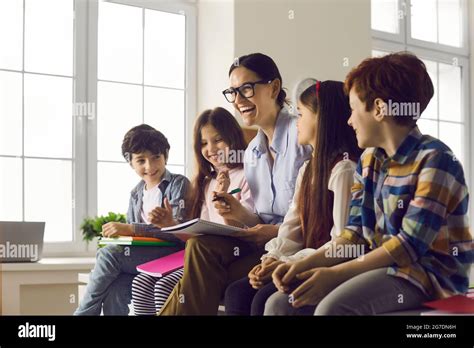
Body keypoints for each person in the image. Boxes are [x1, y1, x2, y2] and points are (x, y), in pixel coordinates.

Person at [265, 52, 472, 315]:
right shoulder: (369, 160)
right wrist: (304, 264)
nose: (349, 120)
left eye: (353, 109)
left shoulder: (436, 160)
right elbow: (353, 235)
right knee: (280, 303)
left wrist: (335, 274)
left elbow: (408, 247)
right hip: (382, 268)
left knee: (331, 308)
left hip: (430, 276)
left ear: (378, 109)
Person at [158, 53, 312, 315]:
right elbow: (256, 220)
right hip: (258, 244)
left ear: (274, 88)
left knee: (199, 276)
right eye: (233, 92)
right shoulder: (252, 151)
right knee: (199, 246)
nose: (238, 101)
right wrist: (235, 212)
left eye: (247, 89)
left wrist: (272, 232)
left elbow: (317, 218)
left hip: (294, 246)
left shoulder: (303, 134)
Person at [224, 80, 361, 315]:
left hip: (324, 264)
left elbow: (342, 243)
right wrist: (271, 259)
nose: (296, 122)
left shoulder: (344, 170)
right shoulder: (307, 169)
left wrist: (289, 263)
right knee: (237, 293)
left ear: (322, 119)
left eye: (301, 114)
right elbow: (291, 226)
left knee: (263, 300)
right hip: (299, 260)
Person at [131, 107, 254, 315]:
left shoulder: (246, 174)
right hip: (202, 252)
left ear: (232, 138)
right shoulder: (206, 182)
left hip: (235, 253)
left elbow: (249, 228)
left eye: (218, 140)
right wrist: (170, 224)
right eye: (204, 143)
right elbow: (198, 235)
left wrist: (227, 205)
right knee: (141, 284)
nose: (211, 149)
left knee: (164, 285)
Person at [74, 125, 190, 315]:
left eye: (156, 158)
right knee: (115, 291)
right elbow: (134, 241)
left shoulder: (178, 184)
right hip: (144, 257)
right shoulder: (136, 194)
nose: (150, 166)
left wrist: (132, 228)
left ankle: (83, 313)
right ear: (131, 163)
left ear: (166, 156)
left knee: (109, 254)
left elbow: (180, 232)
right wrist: (126, 233)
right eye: (141, 160)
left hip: (173, 255)